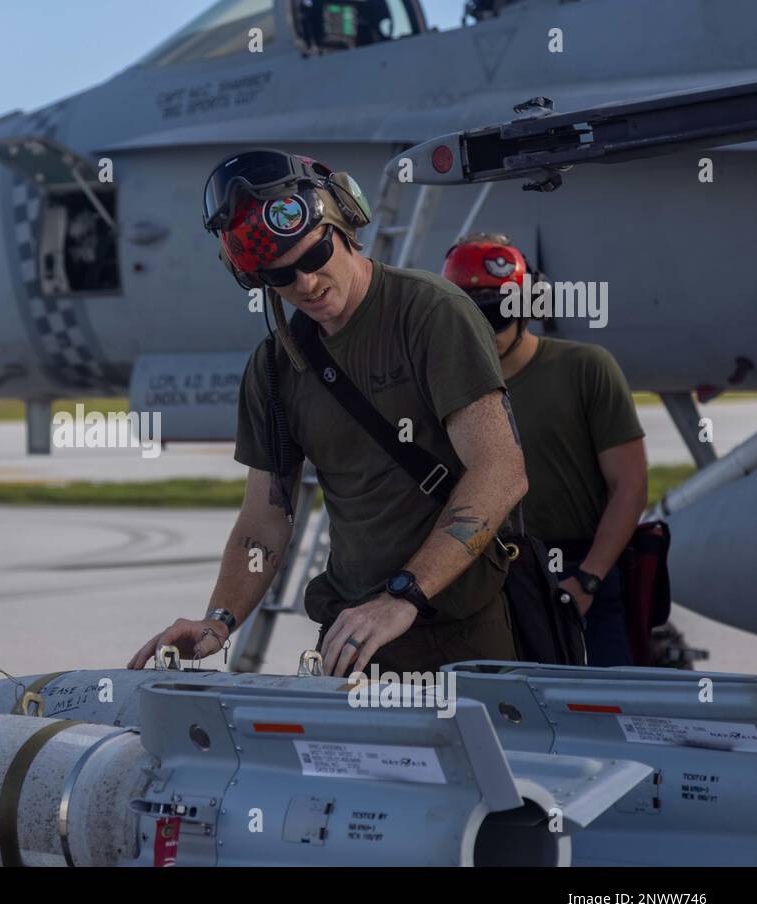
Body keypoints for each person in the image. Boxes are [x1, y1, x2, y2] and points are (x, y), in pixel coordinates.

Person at [127, 149, 528, 677]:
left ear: (346, 227)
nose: (306, 284)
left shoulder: (431, 313)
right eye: (280, 276)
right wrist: (219, 621)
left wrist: (403, 597)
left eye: (315, 256)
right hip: (352, 633)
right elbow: (265, 518)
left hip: (461, 628)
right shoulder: (275, 367)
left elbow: (501, 470)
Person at [442, 235, 648, 665]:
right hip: (485, 580)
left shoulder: (588, 368)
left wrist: (588, 579)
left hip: (578, 576)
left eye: (498, 315)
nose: (486, 332)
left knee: (602, 703)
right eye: (471, 318)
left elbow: (629, 485)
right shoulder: (442, 386)